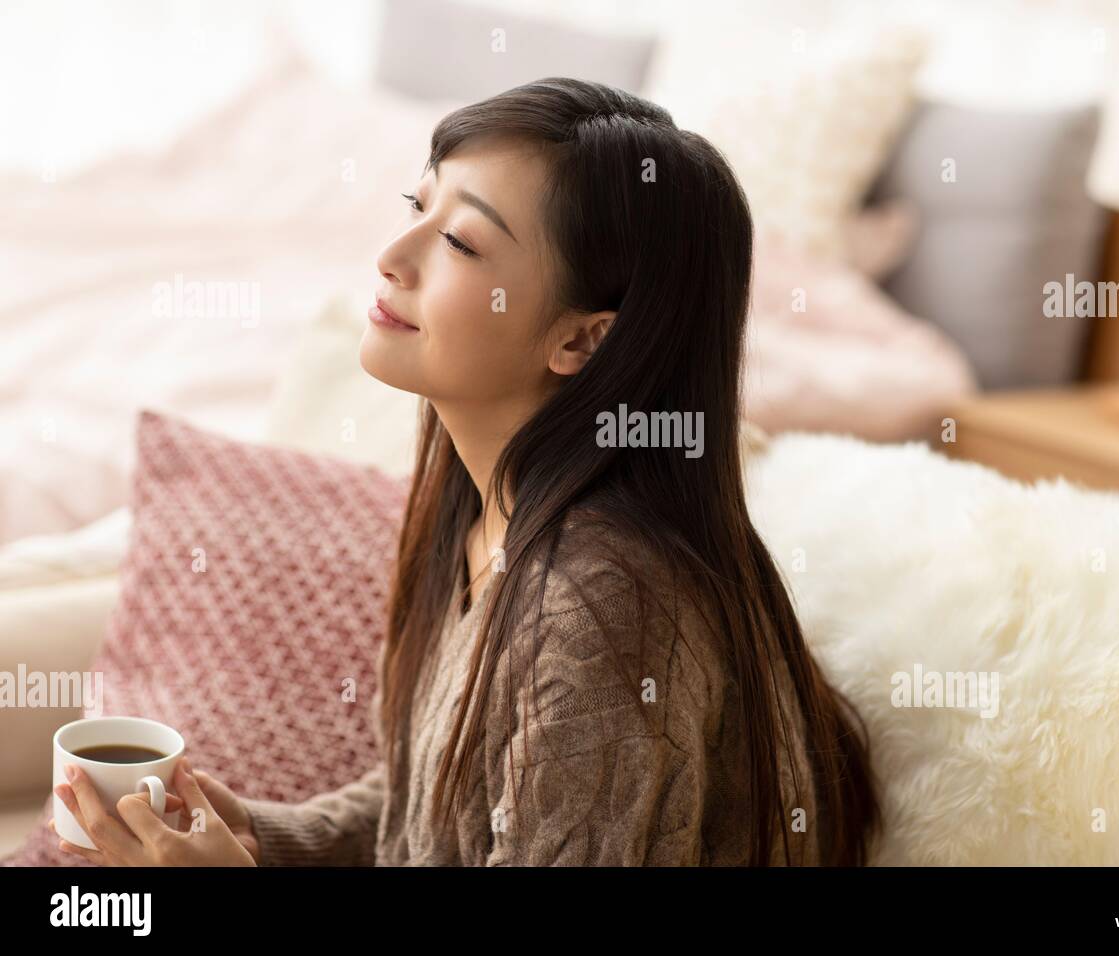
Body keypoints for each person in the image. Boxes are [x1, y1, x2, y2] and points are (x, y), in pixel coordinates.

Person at [52, 77, 879, 866]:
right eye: (418, 205)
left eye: (458, 241)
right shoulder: (492, 504)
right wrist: (268, 840)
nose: (392, 256)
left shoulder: (602, 610)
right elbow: (446, 805)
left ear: (584, 340)